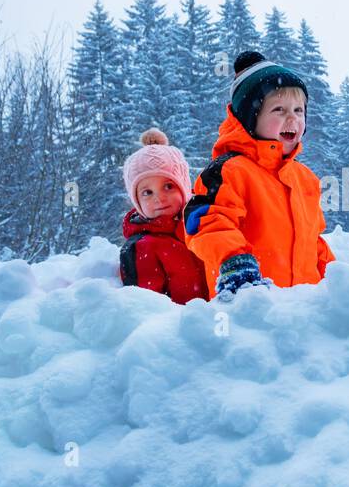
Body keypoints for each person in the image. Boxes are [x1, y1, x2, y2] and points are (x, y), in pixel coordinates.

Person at [184, 51, 335, 297]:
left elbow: (313, 241)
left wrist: (333, 276)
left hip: (305, 313)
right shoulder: (229, 171)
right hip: (250, 310)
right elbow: (207, 223)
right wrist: (234, 261)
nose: (292, 118)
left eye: (299, 110)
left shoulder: (306, 179)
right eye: (279, 109)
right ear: (250, 118)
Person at [118, 128, 209, 304]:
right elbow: (147, 308)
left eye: (168, 186)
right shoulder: (142, 248)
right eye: (147, 192)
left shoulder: (207, 224)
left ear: (183, 186)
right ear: (136, 201)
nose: (159, 198)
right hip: (180, 328)